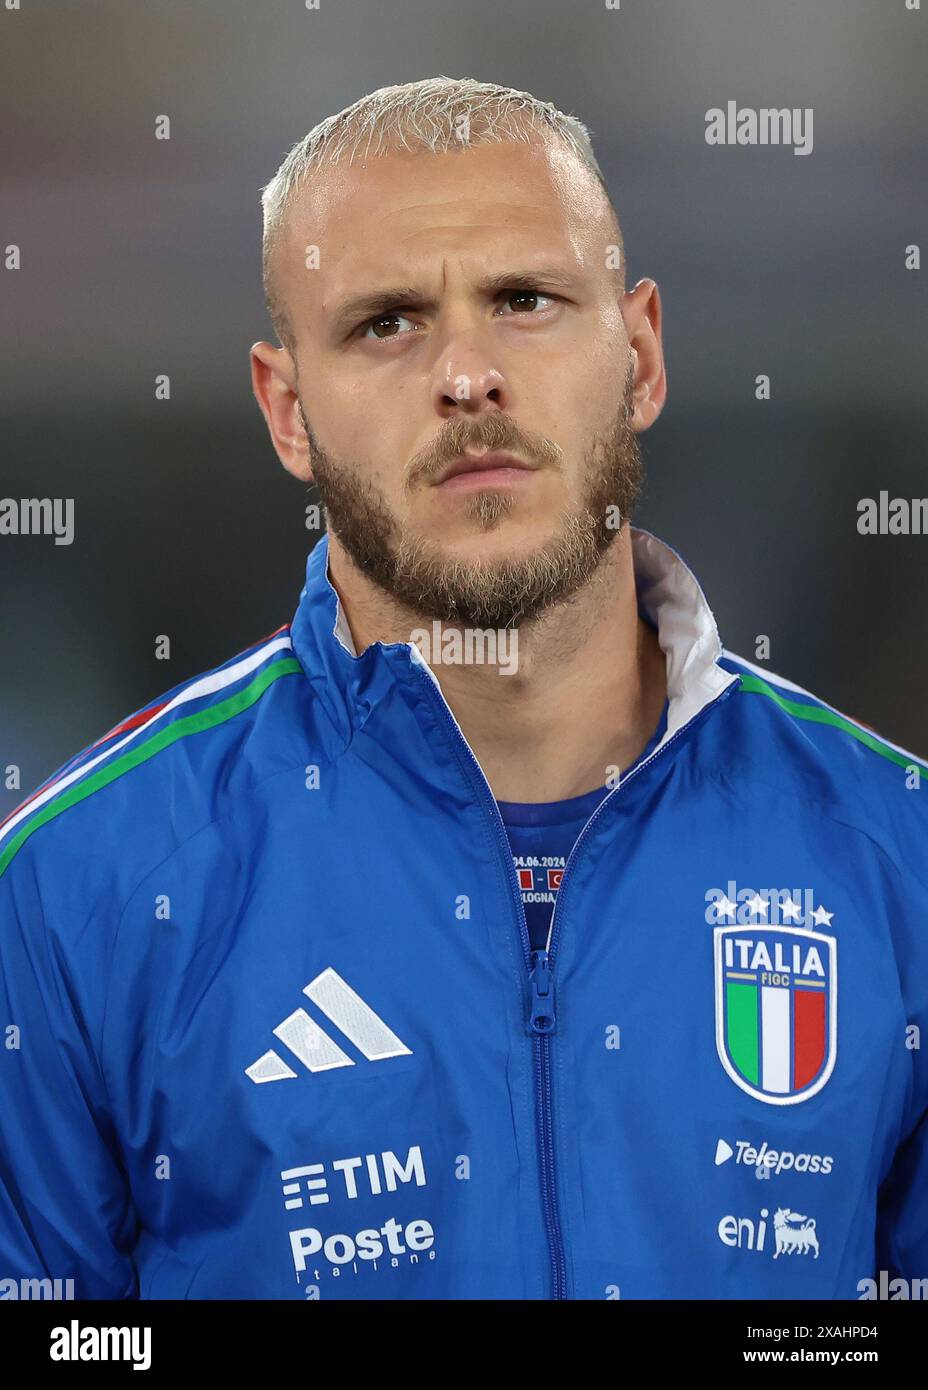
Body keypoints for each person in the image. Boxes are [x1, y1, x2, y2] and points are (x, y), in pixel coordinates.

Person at [0, 76, 925, 1302]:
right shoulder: (74, 893)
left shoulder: (895, 853)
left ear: (640, 355)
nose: (467, 375)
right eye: (385, 323)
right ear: (287, 412)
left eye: (526, 300)